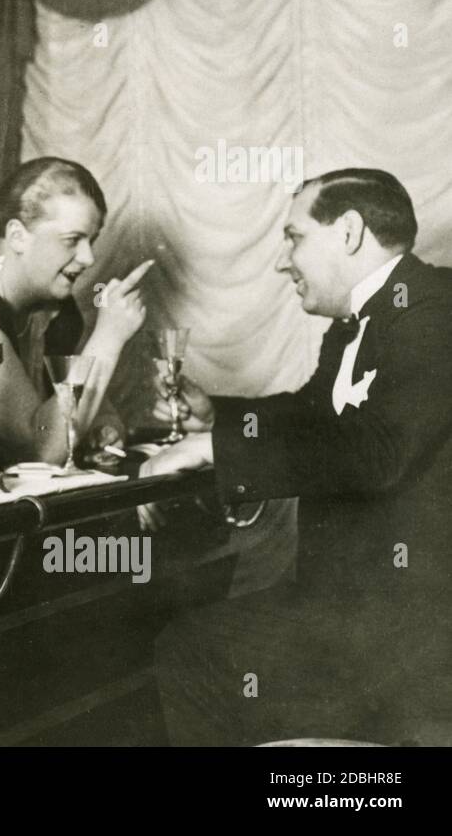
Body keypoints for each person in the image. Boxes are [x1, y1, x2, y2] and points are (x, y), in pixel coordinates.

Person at [142, 168, 452, 745]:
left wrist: (213, 450)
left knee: (192, 650)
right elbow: (312, 415)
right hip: (355, 605)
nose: (284, 261)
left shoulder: (435, 311)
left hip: (413, 626)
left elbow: (381, 454)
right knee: (188, 640)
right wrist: (217, 415)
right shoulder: (360, 319)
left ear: (350, 232)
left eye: (295, 237)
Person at [0, 157, 151, 467]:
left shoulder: (57, 308)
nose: (88, 257)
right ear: (17, 236)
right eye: (73, 240)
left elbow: (81, 406)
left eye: (91, 240)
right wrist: (108, 338)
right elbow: (39, 451)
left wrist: (104, 428)